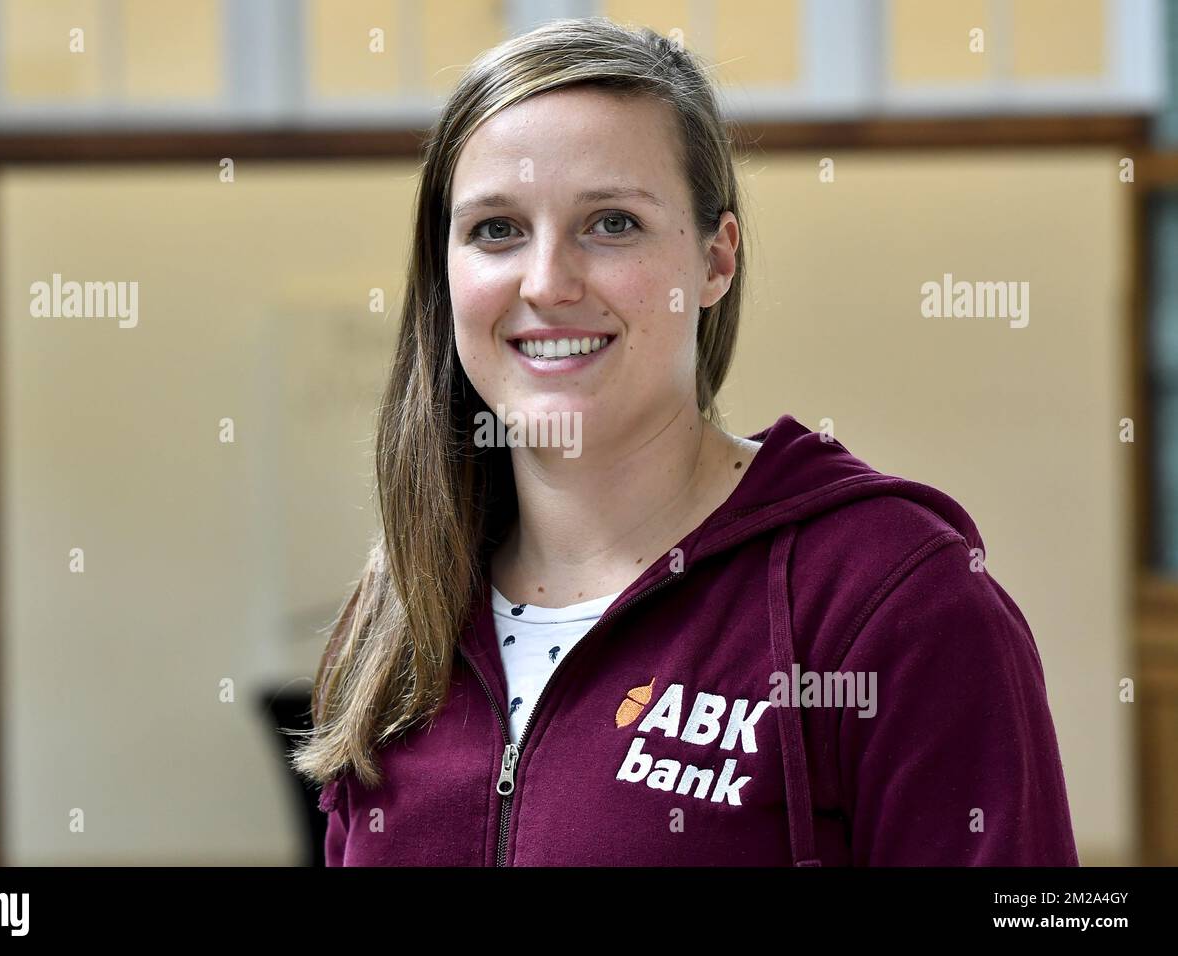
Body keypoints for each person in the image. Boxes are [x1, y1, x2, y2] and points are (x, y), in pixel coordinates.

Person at [291, 16, 1078, 866]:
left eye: (613, 223)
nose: (547, 282)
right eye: (497, 230)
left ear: (715, 260)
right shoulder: (401, 613)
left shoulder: (892, 601)